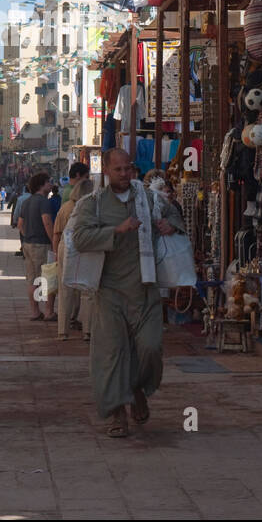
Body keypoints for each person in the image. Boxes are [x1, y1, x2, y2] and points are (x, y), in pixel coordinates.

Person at [71, 147, 185, 438]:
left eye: (128, 169)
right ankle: (117, 412)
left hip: (145, 287)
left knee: (150, 347)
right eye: (118, 170)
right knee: (112, 355)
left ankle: (138, 388)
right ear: (106, 171)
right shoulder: (92, 204)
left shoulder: (149, 198)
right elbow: (81, 238)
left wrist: (169, 225)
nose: (124, 174)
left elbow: (177, 217)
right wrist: (117, 230)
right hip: (108, 290)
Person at [53, 176, 94, 341]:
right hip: (86, 247)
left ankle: (62, 331)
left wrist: (56, 254)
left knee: (65, 290)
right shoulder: (92, 207)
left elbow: (56, 233)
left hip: (66, 247)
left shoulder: (65, 207)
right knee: (88, 290)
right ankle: (87, 330)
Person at [19, 171, 55, 321]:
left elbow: (20, 224)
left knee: (32, 279)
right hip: (42, 244)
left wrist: (27, 235)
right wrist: (54, 241)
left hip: (28, 243)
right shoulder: (44, 202)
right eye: (48, 182)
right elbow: (47, 222)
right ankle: (48, 311)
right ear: (42, 185)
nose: (51, 184)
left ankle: (35, 311)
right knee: (47, 278)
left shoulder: (26, 201)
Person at [10, 182, 32, 259]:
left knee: (23, 236)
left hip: (22, 221)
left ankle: (24, 252)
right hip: (32, 221)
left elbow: (16, 211)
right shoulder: (33, 197)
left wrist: (14, 221)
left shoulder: (20, 199)